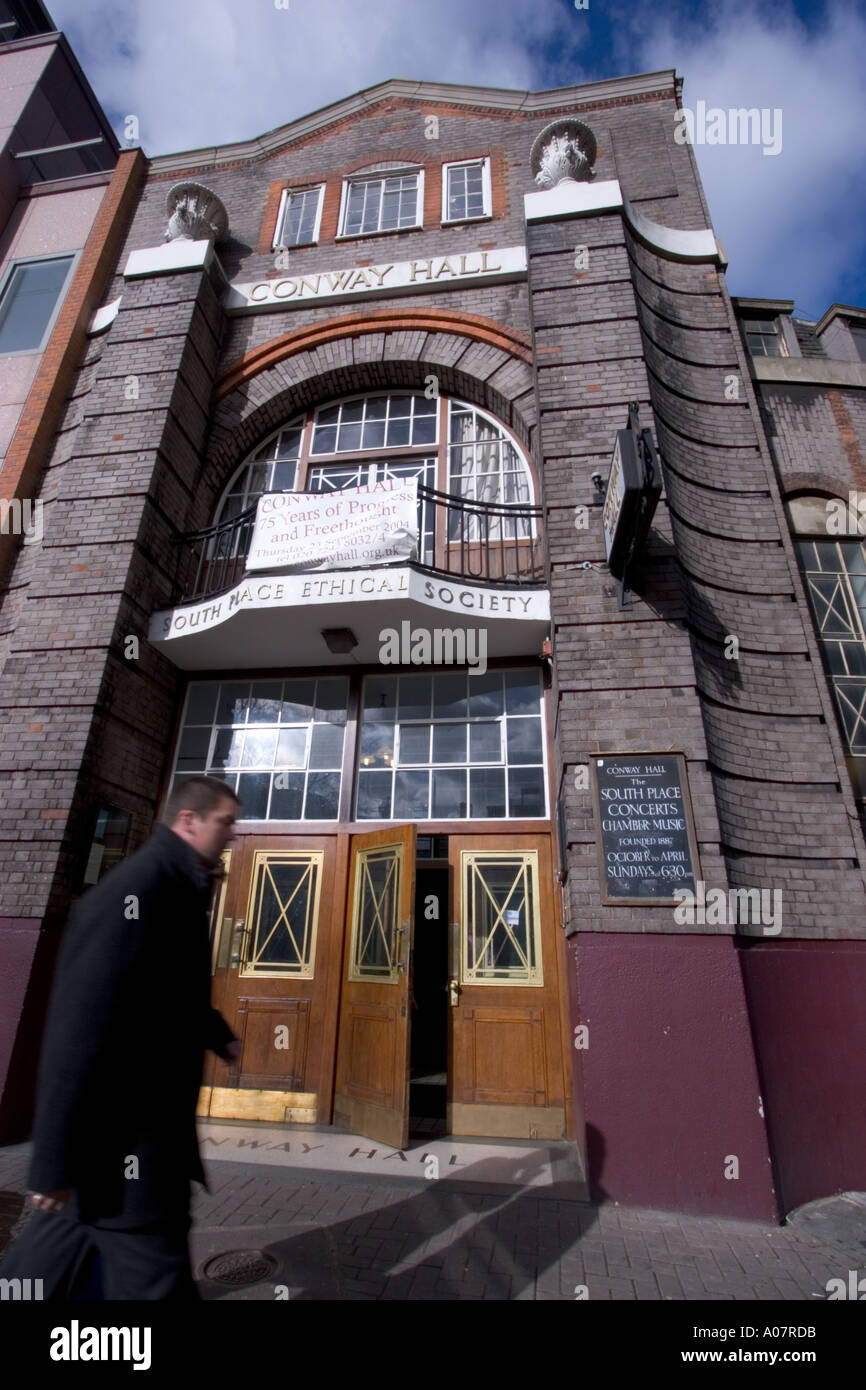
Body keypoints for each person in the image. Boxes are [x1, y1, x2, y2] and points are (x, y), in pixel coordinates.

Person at [0, 775, 242, 1300]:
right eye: (225, 822)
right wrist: (53, 1162)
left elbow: (164, 992)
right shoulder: (137, 891)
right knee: (155, 1274)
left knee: (44, 1263)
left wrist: (217, 1033)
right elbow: (77, 1030)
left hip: (115, 1157)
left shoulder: (179, 886)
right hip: (128, 1144)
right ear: (188, 821)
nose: (232, 835)